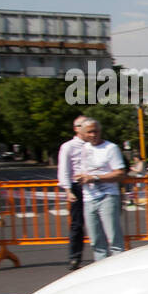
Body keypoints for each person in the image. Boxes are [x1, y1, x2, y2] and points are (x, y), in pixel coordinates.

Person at [75, 118, 126, 260]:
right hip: (89, 197)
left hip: (108, 196)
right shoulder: (84, 149)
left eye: (95, 131)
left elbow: (120, 173)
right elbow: (85, 170)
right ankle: (101, 267)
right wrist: (81, 177)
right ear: (83, 133)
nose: (93, 135)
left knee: (114, 238)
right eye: (89, 132)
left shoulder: (111, 148)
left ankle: (119, 266)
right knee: (96, 240)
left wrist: (95, 178)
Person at [56, 115, 88, 270]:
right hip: (77, 187)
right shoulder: (68, 146)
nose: (87, 128)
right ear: (76, 128)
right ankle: (75, 257)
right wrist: (68, 190)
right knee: (77, 224)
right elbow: (64, 169)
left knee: (99, 223)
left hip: (94, 185)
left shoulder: (94, 144)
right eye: (83, 125)